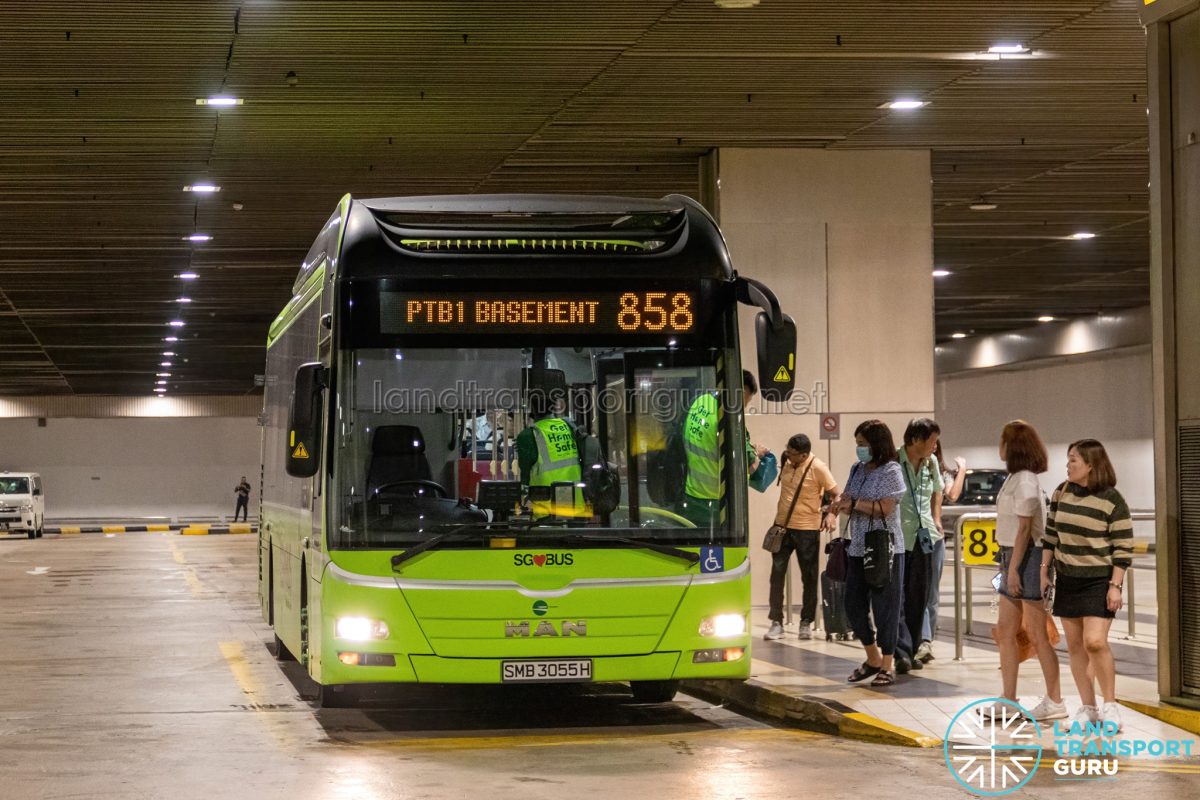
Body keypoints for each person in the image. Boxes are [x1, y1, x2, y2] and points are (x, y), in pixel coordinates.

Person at [1041, 439, 1133, 731]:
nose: (1067, 466)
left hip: (1099, 579)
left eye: (1073, 461)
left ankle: (1111, 705)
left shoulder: (1111, 499)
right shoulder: (1062, 491)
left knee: (1095, 642)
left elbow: (1123, 547)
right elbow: (1051, 534)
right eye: (1068, 460)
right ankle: (1088, 708)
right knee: (1077, 646)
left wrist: (1115, 585)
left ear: (1091, 465)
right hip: (1068, 578)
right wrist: (1045, 570)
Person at [989, 420, 1064, 721]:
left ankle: (1055, 701)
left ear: (1013, 446)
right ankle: (1009, 698)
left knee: (1036, 632)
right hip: (1011, 555)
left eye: (1003, 441)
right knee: (1006, 631)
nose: (1000, 446)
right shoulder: (1014, 478)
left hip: (1028, 558)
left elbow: (1024, 531)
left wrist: (1015, 570)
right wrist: (1005, 565)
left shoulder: (1026, 481)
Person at [830, 420, 906, 687]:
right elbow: (848, 498)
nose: (859, 450)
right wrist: (838, 504)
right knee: (853, 604)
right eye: (857, 444)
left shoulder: (892, 470)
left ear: (877, 444)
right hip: (858, 546)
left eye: (862, 444)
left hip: (885, 549)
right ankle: (872, 657)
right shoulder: (857, 469)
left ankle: (888, 663)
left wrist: (854, 504)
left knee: (886, 607)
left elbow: (886, 507)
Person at [764, 434, 839, 641]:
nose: (788, 455)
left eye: (792, 453)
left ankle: (806, 622)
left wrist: (831, 514)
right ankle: (776, 621)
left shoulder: (818, 467)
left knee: (809, 576)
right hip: (782, 527)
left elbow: (836, 494)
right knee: (776, 575)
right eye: (787, 451)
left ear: (804, 454)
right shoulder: (786, 460)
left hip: (807, 529)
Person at [680, 369, 767, 527]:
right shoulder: (728, 421)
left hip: (691, 495)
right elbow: (752, 468)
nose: (742, 408)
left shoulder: (700, 402)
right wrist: (757, 452)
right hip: (715, 505)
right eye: (744, 402)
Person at [894, 418, 944, 674]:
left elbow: (938, 490)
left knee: (919, 596)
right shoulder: (894, 462)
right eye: (932, 441)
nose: (935, 446)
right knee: (899, 597)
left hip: (925, 538)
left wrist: (936, 518)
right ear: (915, 440)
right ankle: (900, 652)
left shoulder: (931, 463)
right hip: (899, 538)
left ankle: (913, 649)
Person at [920, 441, 964, 658]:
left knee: (930, 588)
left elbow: (952, 495)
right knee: (919, 586)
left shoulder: (940, 472)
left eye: (936, 446)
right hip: (916, 533)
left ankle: (926, 639)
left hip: (930, 535)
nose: (932, 449)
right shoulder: (911, 468)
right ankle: (922, 637)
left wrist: (962, 470)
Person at [516, 391, 584, 518]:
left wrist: (521, 503)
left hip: (547, 510)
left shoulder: (528, 436)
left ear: (531, 411)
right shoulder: (569, 426)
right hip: (576, 504)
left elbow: (524, 476)